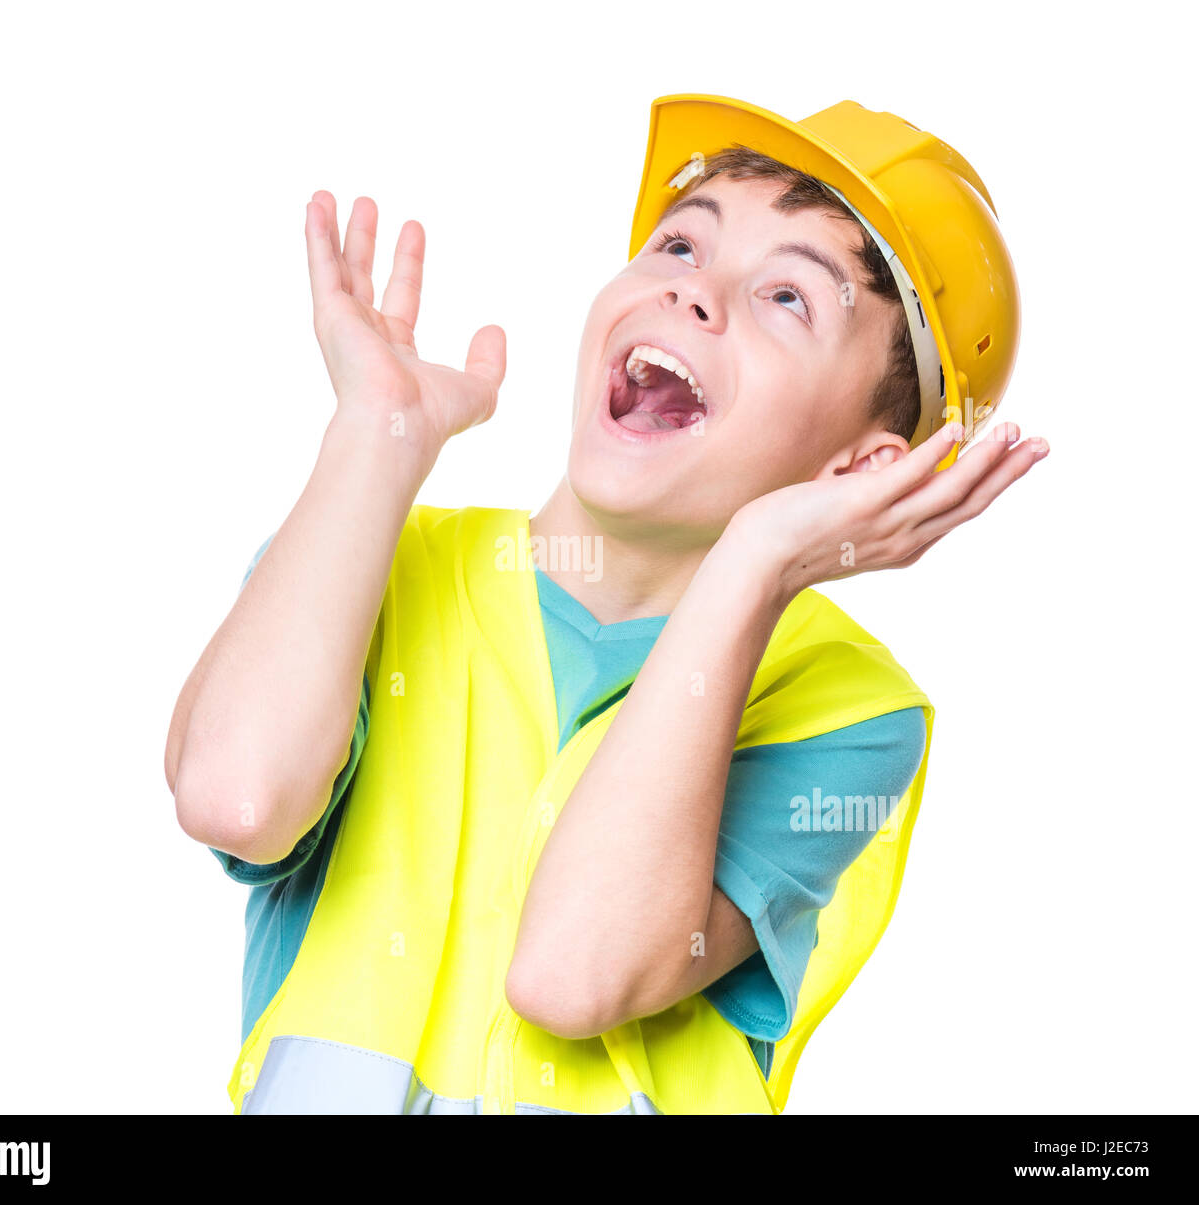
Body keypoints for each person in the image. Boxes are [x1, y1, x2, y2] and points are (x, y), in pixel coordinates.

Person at [164, 95, 1047, 1115]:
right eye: (679, 244)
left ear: (859, 468)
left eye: (788, 298)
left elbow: (572, 975)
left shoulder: (846, 709)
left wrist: (755, 557)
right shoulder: (367, 557)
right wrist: (377, 431)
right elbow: (233, 798)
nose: (695, 295)